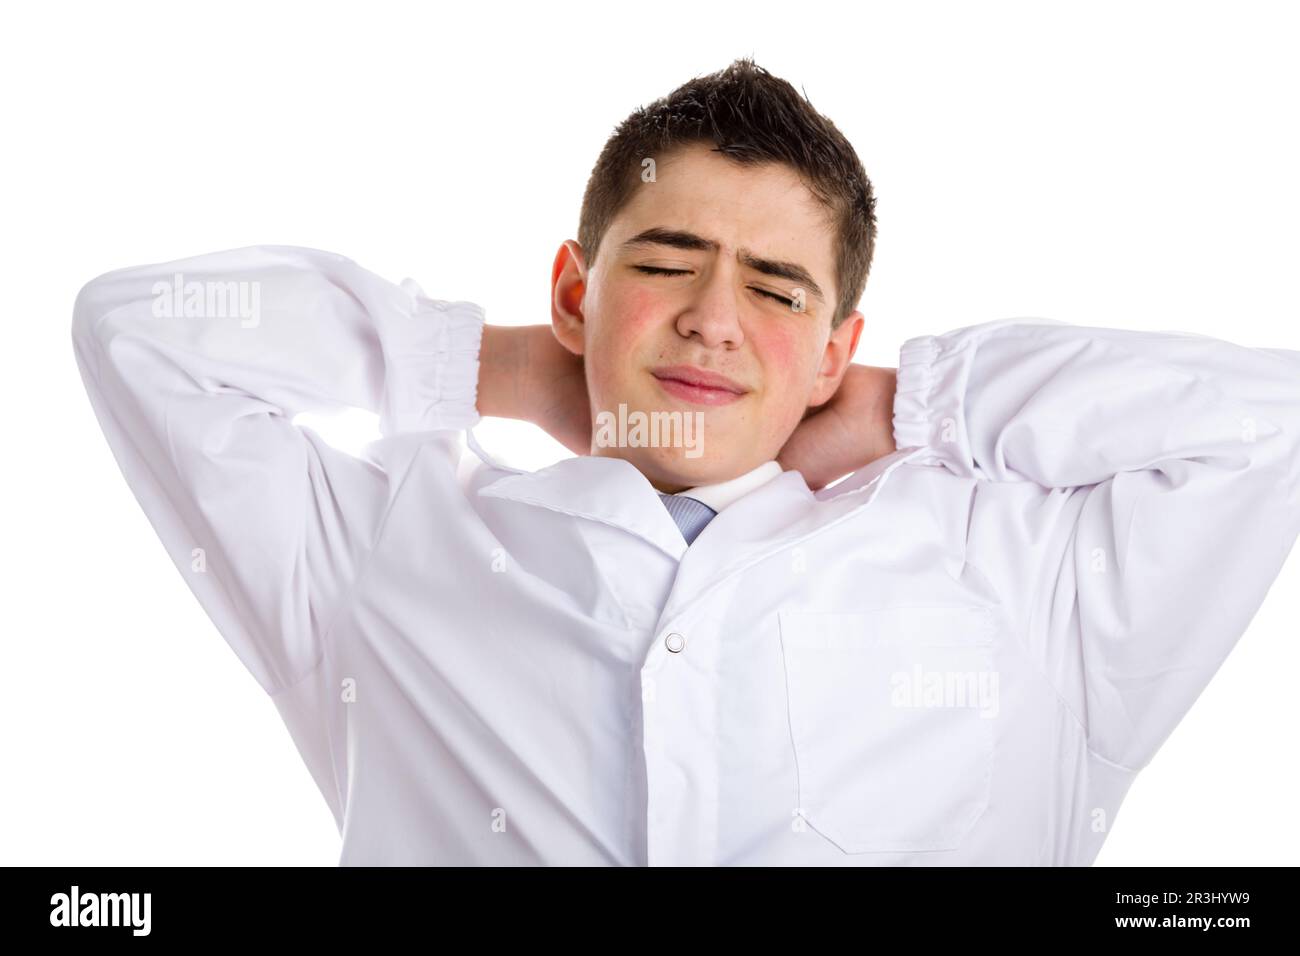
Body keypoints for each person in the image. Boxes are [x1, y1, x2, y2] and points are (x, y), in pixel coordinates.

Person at [71, 58, 1300, 865]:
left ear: (837, 348)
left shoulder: (1021, 580)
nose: (715, 315)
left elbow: (1269, 417)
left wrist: (916, 405)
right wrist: (483, 368)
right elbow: (140, 333)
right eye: (664, 263)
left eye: (776, 288)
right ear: (573, 290)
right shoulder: (393, 548)